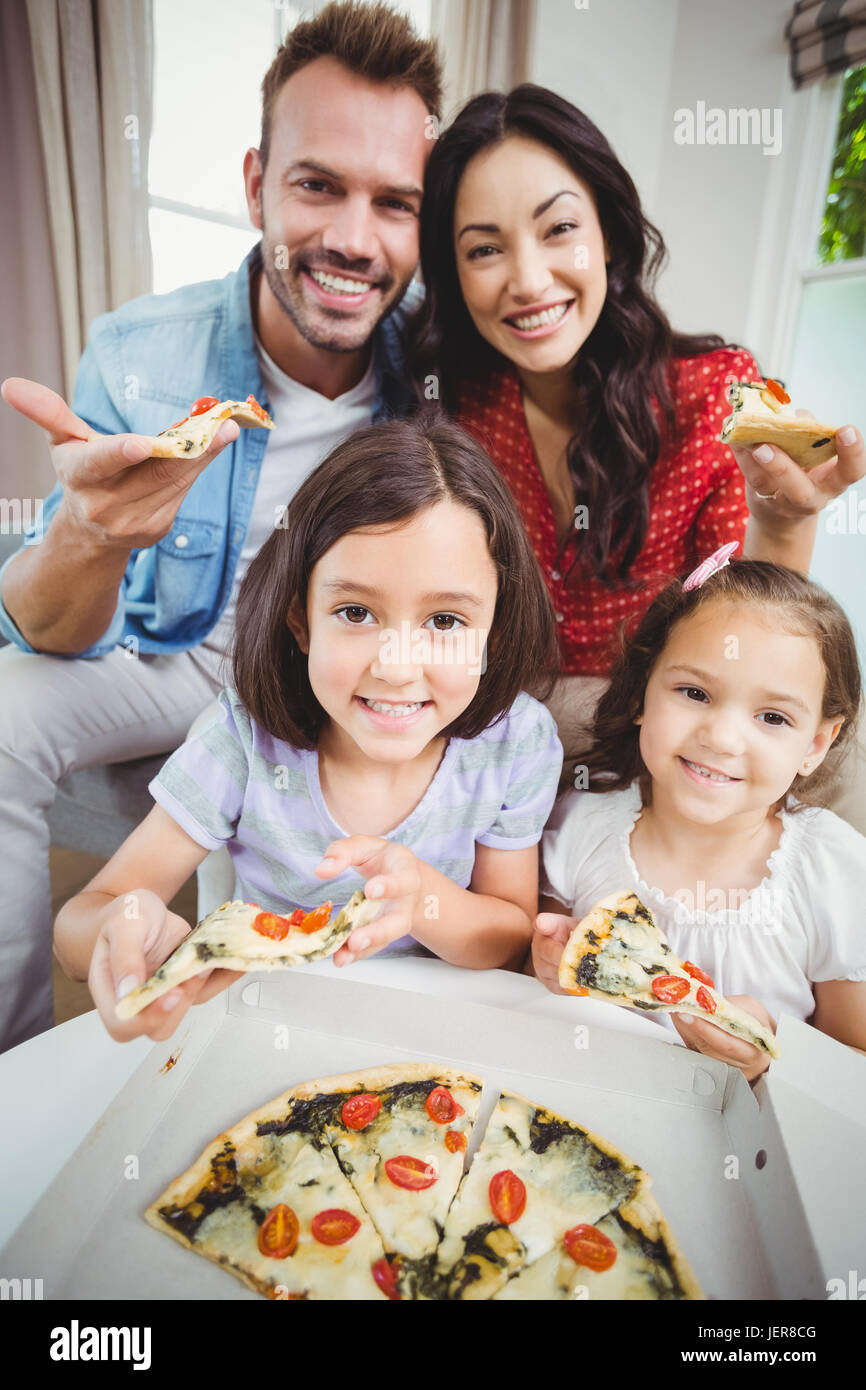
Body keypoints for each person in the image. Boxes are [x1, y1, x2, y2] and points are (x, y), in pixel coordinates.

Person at [0, 2, 443, 1052]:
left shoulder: (449, 364)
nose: (350, 237)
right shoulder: (141, 353)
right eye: (316, 184)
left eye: (393, 203)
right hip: (177, 656)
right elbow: (49, 631)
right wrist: (93, 538)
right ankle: (17, 1081)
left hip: (336, 668)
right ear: (256, 183)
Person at [54, 415, 563, 1044]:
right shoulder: (243, 738)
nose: (397, 667)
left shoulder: (516, 743)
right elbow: (83, 920)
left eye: (446, 621)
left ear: (495, 627)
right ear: (301, 621)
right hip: (271, 1031)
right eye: (355, 612)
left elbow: (511, 937)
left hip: (440, 1042)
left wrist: (425, 902)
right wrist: (122, 927)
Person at [408, 85, 866, 761]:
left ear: (611, 237)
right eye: (484, 250)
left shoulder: (713, 394)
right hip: (490, 734)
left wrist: (785, 522)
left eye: (559, 229)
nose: (530, 280)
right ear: (453, 272)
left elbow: (751, 637)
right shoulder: (457, 402)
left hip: (660, 735)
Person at [530, 551, 866, 1083]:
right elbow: (535, 989)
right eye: (695, 693)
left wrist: (767, 1053)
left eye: (772, 717)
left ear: (817, 744)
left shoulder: (833, 869)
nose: (721, 738)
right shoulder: (581, 825)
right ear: (642, 691)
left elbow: (854, 1064)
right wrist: (545, 966)